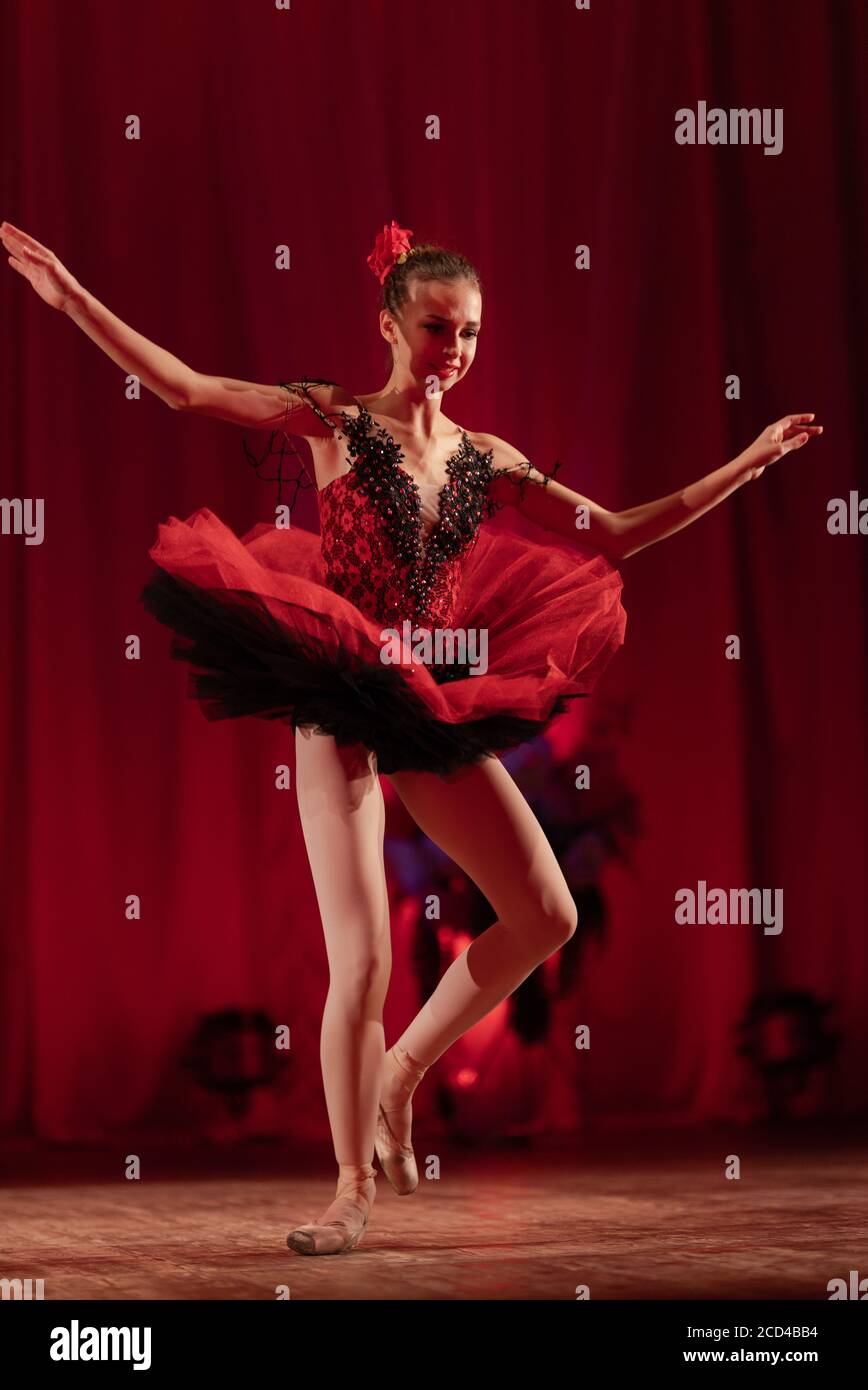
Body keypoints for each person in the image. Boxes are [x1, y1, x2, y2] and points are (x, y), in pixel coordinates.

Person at [1, 216, 822, 1256]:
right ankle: (347, 1191)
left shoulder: (487, 457)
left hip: (430, 695)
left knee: (545, 912)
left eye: (470, 334)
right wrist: (71, 297)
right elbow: (189, 388)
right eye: (437, 330)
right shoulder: (334, 418)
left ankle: (403, 1070)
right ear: (391, 323)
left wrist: (746, 463)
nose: (454, 353)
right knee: (363, 961)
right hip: (337, 684)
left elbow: (613, 532)